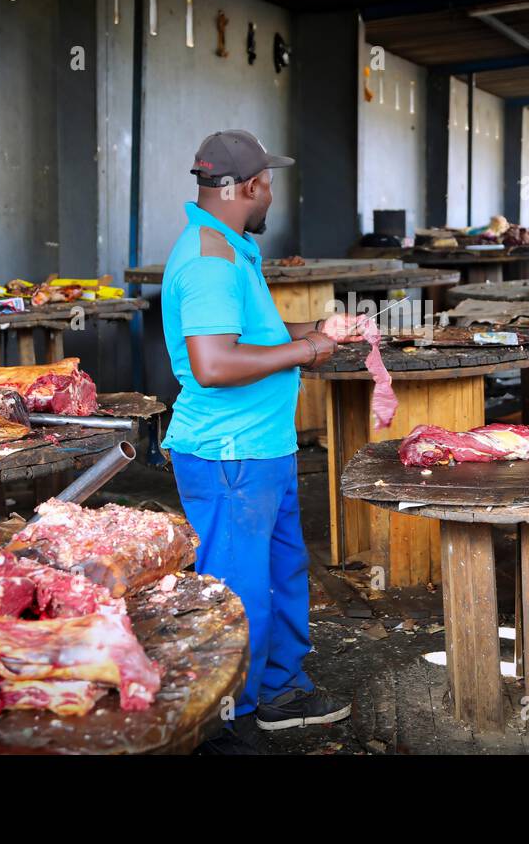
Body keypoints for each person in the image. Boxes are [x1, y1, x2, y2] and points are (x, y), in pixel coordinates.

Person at [162, 129, 360, 753]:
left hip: (260, 450)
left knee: (279, 573)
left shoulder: (230, 249)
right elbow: (214, 364)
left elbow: (252, 334)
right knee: (235, 590)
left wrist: (317, 328)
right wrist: (310, 350)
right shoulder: (208, 261)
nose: (272, 191)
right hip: (228, 456)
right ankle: (225, 722)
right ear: (247, 187)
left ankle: (277, 691)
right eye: (268, 181)